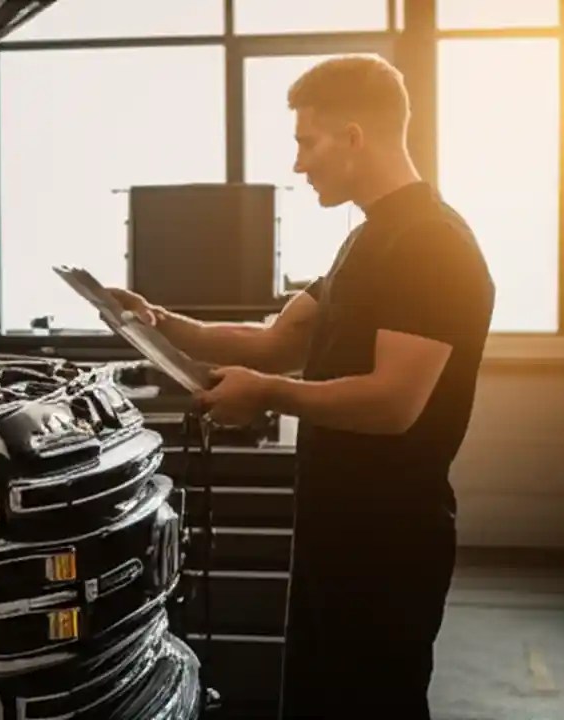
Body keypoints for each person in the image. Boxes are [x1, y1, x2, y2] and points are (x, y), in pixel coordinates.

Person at [109, 55, 494, 719]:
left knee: (372, 704)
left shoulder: (433, 245)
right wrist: (157, 321)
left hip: (390, 537)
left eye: (305, 142)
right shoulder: (366, 244)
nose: (298, 164)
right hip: (333, 524)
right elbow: (275, 342)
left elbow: (392, 403)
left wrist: (266, 393)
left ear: (353, 136)